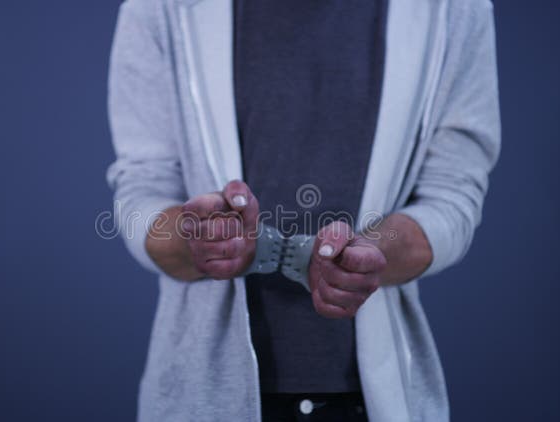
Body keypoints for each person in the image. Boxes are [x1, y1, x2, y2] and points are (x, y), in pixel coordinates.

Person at [106, 0, 500, 420]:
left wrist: (369, 253)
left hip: (373, 400)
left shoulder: (454, 9)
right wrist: (198, 238)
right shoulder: (160, 8)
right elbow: (143, 189)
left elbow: (453, 192)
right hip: (203, 397)